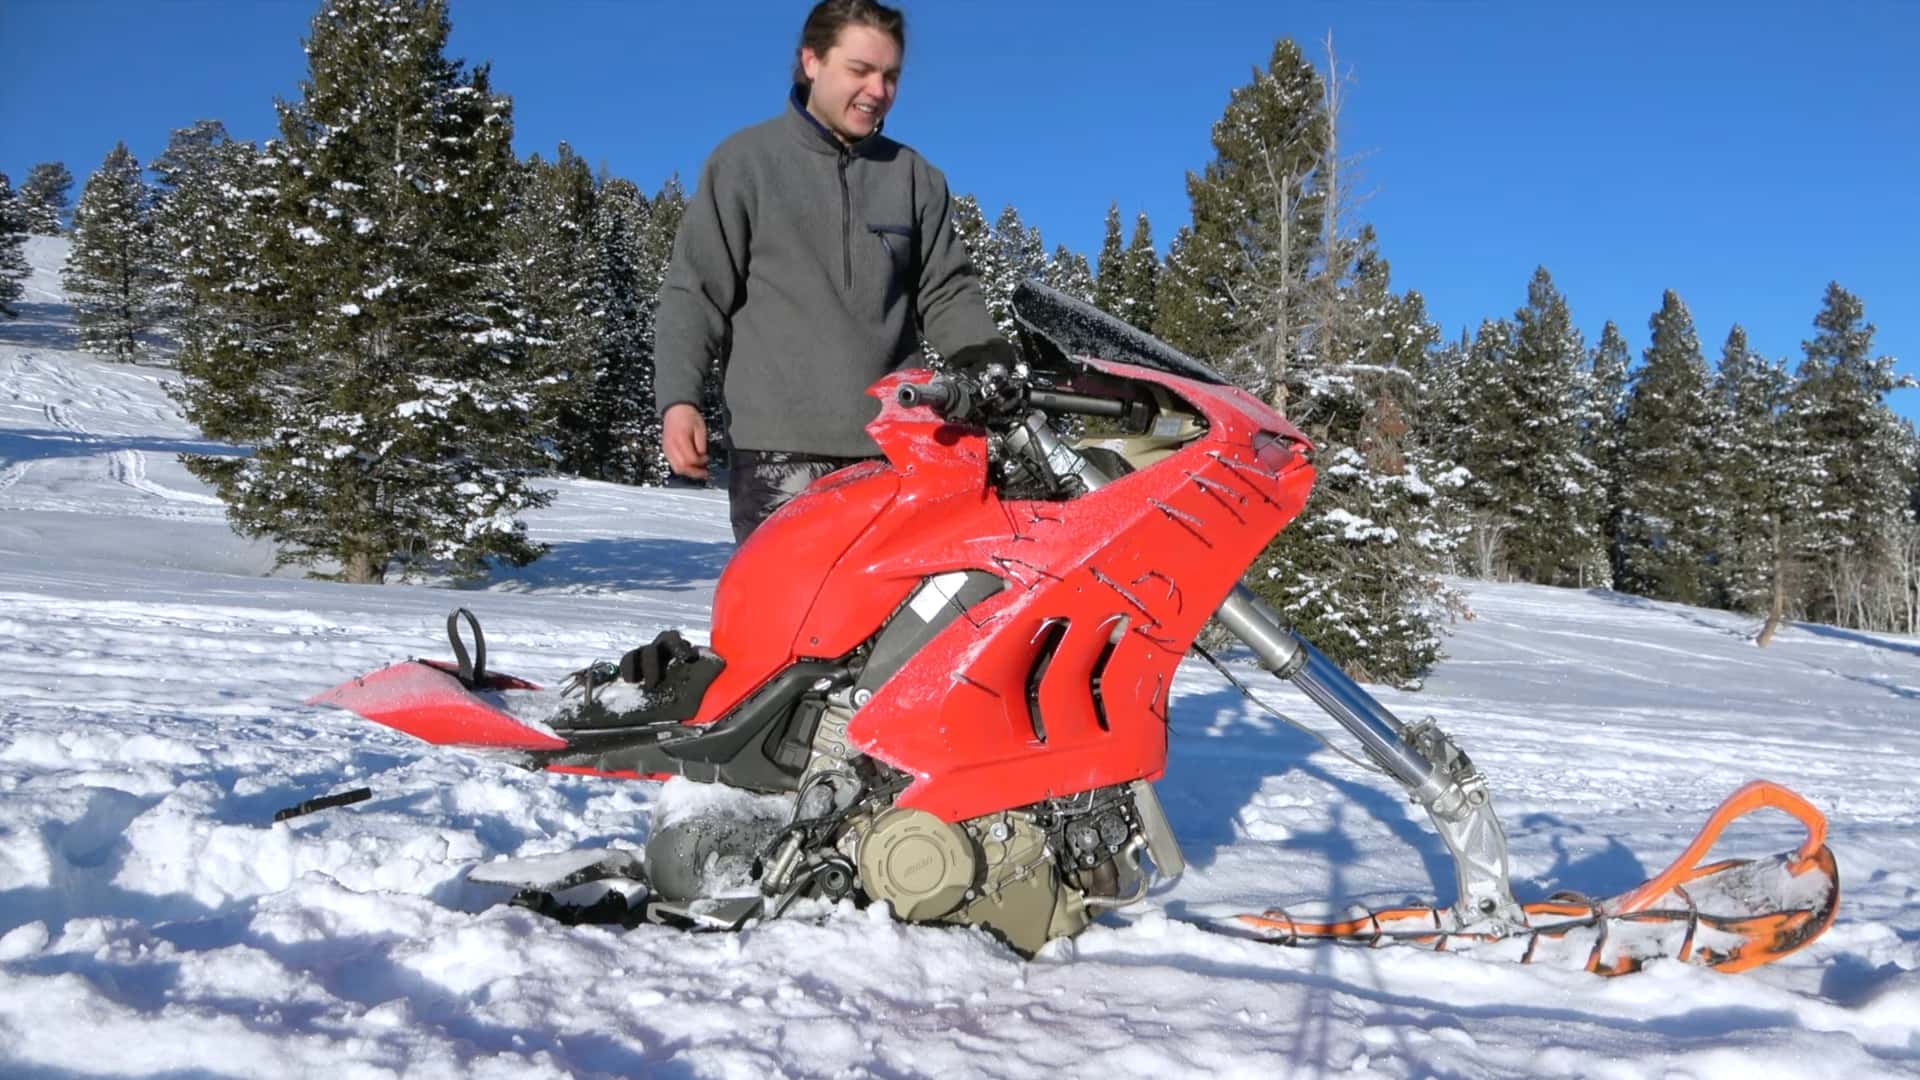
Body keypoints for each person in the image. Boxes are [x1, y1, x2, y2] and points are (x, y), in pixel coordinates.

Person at [653, 0, 1011, 543]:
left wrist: (988, 363)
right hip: (778, 452)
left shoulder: (915, 178)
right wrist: (679, 399)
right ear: (812, 61)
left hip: (896, 445)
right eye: (860, 70)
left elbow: (947, 291)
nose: (877, 90)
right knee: (788, 600)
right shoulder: (745, 163)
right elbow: (695, 292)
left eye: (891, 76)